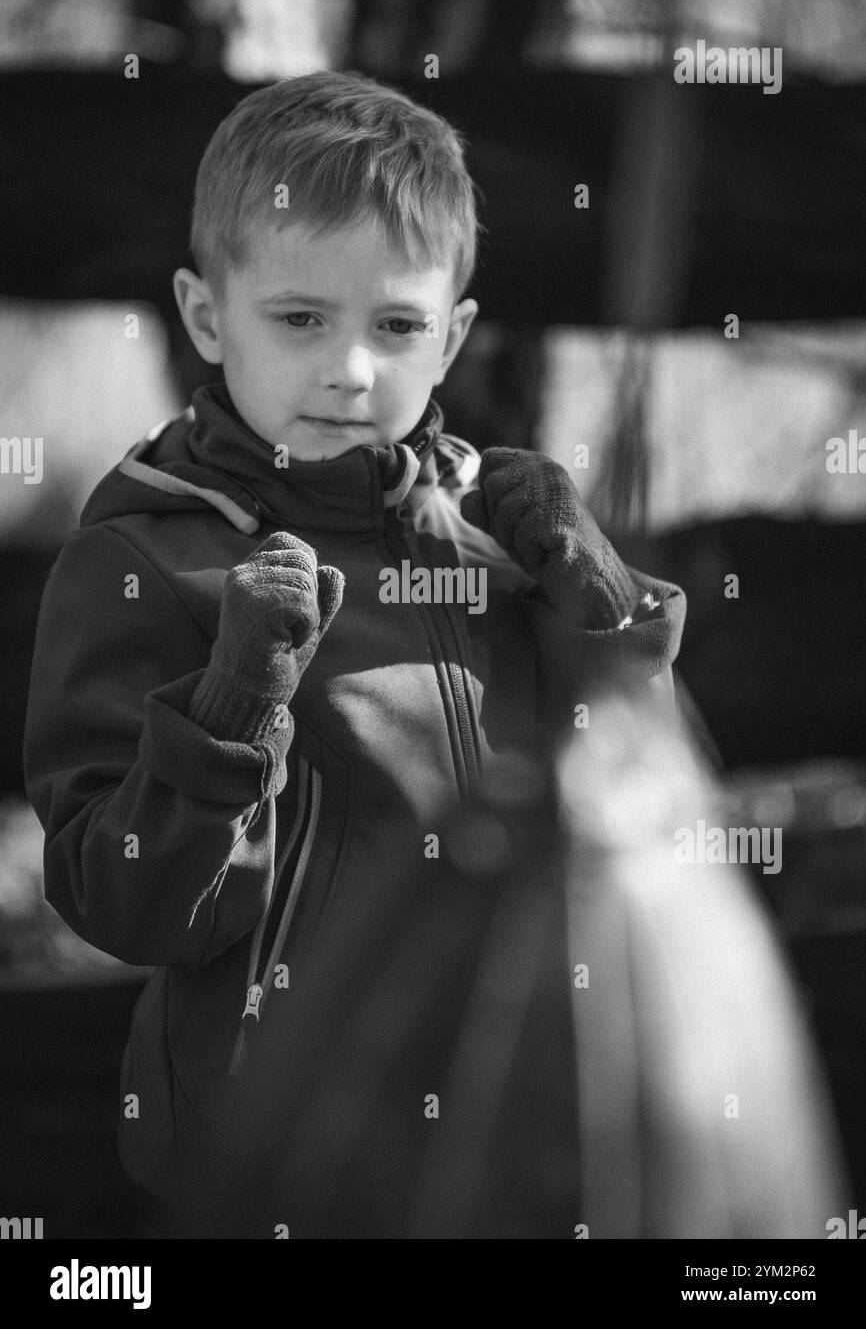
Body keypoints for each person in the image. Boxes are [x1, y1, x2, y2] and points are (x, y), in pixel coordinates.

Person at [22, 70, 685, 1229]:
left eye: (395, 325)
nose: (349, 370)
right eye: (299, 319)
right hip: (278, 1158)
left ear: (454, 335)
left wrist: (603, 605)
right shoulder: (146, 555)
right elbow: (122, 902)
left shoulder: (499, 537)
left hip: (507, 1139)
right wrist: (234, 703)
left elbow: (637, 810)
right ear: (205, 315)